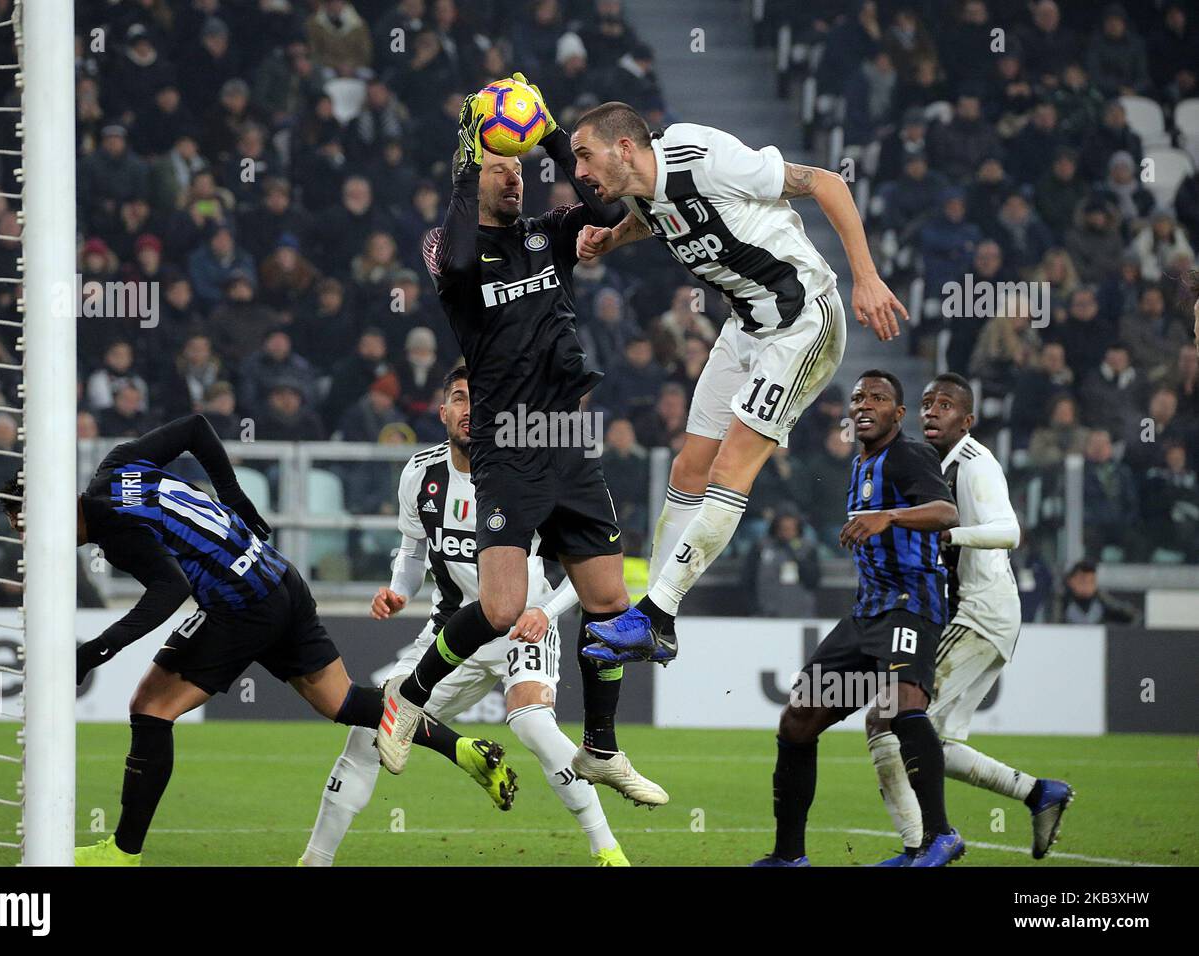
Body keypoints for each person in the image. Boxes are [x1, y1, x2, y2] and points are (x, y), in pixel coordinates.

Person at [1, 415, 516, 865]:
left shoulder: (116, 532)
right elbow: (195, 428)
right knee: (345, 702)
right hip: (280, 579)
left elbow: (169, 590)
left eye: (23, 523)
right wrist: (233, 494)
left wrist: (92, 653)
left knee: (150, 707)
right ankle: (465, 749)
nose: (25, 537)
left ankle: (121, 853)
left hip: (240, 605)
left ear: (49, 507)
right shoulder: (115, 466)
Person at [377, 76, 667, 806]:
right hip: (507, 444)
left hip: (566, 437)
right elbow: (461, 264)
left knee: (609, 601)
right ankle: (409, 696)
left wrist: (544, 136)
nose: (516, 179)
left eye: (521, 171)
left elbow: (607, 204)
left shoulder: (549, 234)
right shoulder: (450, 249)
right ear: (476, 175)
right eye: (501, 170)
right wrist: (476, 156)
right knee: (502, 610)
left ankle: (601, 747)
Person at [565, 101, 906, 665]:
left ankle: (658, 613)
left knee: (729, 468)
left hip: (801, 323)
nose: (577, 171)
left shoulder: (702, 156)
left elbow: (823, 183)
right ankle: (652, 614)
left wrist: (866, 278)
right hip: (744, 325)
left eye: (584, 155)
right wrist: (612, 239)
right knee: (687, 469)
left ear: (624, 148)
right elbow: (656, 220)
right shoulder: (641, 192)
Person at [303, 369, 629, 866]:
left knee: (533, 726)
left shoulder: (529, 472)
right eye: (459, 398)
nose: (469, 409)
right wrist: (397, 590)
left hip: (523, 624)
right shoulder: (419, 474)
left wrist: (545, 609)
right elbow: (413, 551)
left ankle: (606, 850)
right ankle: (315, 860)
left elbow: (586, 574)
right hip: (453, 631)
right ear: (444, 412)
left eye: (480, 399)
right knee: (371, 732)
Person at [755, 371, 962, 867]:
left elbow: (946, 512)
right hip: (869, 609)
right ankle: (789, 857)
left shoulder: (910, 455)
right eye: (857, 398)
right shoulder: (861, 463)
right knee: (799, 719)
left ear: (898, 413)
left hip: (911, 602)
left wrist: (887, 517)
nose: (864, 405)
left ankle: (940, 836)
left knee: (905, 705)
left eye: (878, 397)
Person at [866, 373, 1074, 865]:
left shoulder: (975, 465)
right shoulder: (937, 466)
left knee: (887, 717)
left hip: (982, 611)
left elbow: (1009, 531)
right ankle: (1039, 792)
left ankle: (921, 845)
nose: (932, 412)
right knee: (933, 738)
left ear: (968, 419)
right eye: (926, 403)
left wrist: (952, 538)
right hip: (982, 614)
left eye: (945, 405)